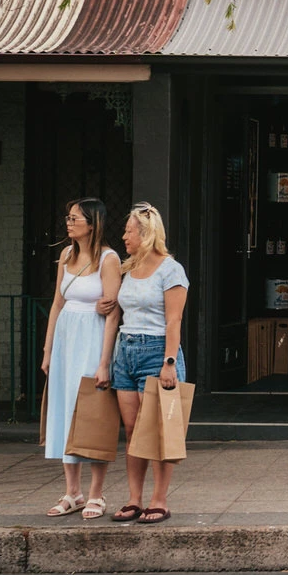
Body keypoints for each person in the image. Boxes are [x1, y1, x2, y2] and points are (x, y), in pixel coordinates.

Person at [40, 198, 122, 519]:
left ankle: (96, 494)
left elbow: (113, 312)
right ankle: (71, 491)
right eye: (68, 217)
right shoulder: (66, 255)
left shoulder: (108, 259)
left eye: (74, 218)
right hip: (65, 340)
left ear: (92, 223)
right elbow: (57, 304)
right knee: (64, 410)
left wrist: (104, 361)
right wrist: (48, 351)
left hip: (92, 338)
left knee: (92, 412)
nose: (68, 223)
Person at [110, 202, 190, 524]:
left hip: (156, 351)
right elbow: (120, 309)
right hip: (124, 351)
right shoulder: (128, 268)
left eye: (129, 230)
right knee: (132, 430)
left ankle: (159, 499)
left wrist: (169, 362)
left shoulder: (171, 270)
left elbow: (174, 321)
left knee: (158, 431)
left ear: (146, 234)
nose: (124, 236)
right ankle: (134, 499)